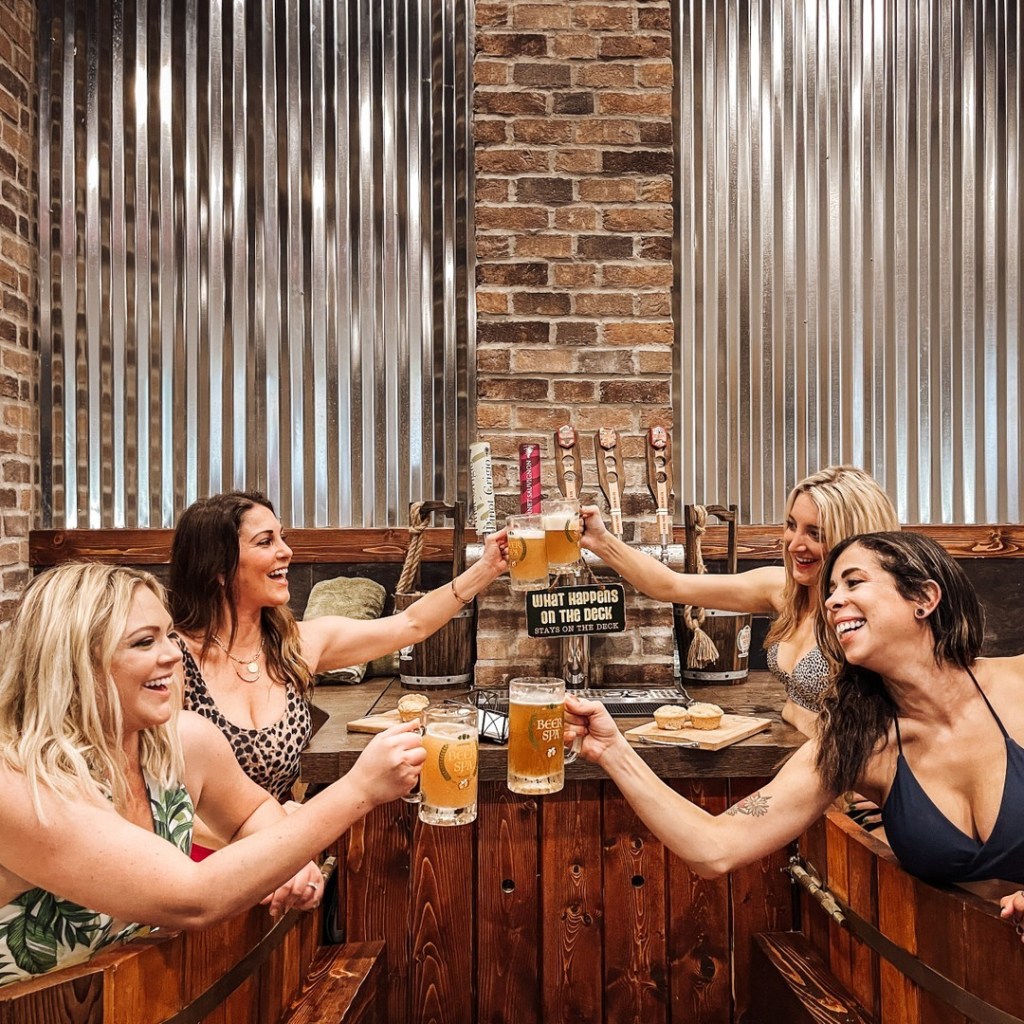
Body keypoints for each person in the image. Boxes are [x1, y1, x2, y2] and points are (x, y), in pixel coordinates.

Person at [0, 563, 424, 986]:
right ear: (75, 662)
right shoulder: (21, 781)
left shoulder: (177, 741)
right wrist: (358, 790)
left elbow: (249, 812)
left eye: (168, 634)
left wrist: (283, 856)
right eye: (144, 642)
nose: (172, 653)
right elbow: (192, 898)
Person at [565, 532, 1024, 901]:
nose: (831, 601)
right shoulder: (858, 744)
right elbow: (714, 850)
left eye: (854, 582)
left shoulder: (1018, 682)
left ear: (924, 598)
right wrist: (612, 751)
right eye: (831, 590)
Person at [167, 491, 507, 817]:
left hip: (284, 850)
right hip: (200, 860)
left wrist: (487, 567)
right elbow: (155, 807)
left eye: (282, 537)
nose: (286, 551)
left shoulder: (293, 647)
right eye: (266, 541)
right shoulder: (172, 662)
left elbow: (411, 624)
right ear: (218, 568)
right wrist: (266, 834)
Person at [579, 465, 899, 737]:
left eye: (815, 533)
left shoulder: (877, 611)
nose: (795, 544)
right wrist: (600, 541)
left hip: (851, 784)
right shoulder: (785, 592)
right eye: (791, 526)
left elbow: (929, 702)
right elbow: (669, 585)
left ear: (853, 536)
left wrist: (893, 778)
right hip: (803, 763)